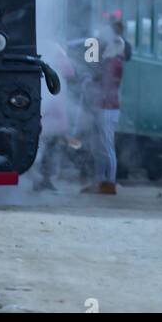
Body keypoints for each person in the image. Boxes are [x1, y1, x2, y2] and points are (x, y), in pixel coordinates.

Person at [81, 21, 126, 195]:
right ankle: (101, 180)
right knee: (101, 145)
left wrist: (90, 81)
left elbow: (105, 82)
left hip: (108, 106)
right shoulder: (114, 60)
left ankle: (109, 181)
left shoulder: (113, 61)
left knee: (106, 146)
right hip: (106, 105)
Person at [35, 42, 76, 191]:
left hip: (48, 111)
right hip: (54, 111)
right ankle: (44, 178)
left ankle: (39, 178)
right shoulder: (58, 51)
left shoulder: (46, 48)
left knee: (44, 146)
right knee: (50, 148)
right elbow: (71, 72)